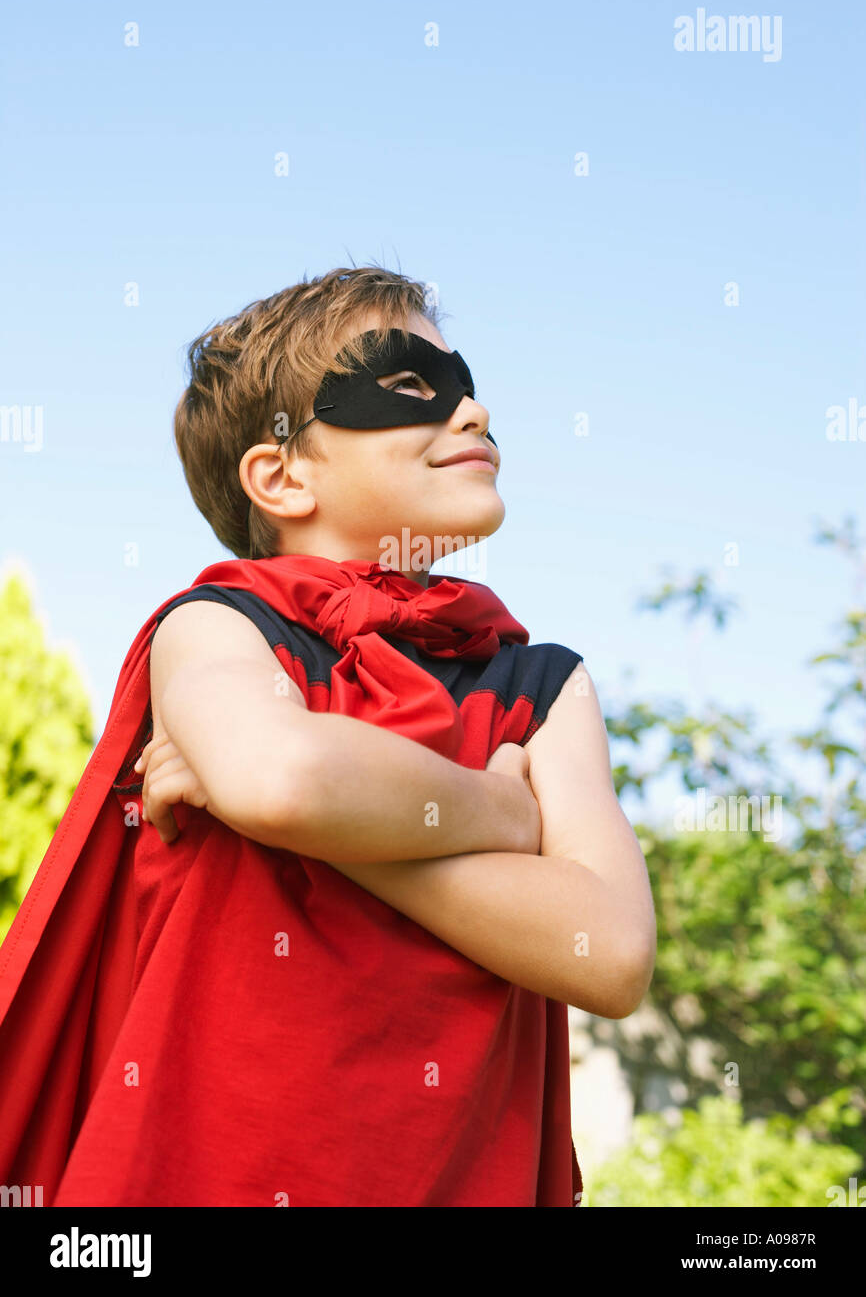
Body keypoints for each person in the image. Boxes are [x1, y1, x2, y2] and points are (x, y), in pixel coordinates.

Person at [0, 264, 655, 1207]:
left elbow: (609, 951)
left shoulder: (543, 684)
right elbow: (284, 781)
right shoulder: (216, 625)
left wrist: (318, 815)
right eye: (404, 387)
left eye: (466, 386)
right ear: (281, 473)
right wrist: (505, 813)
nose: (470, 412)